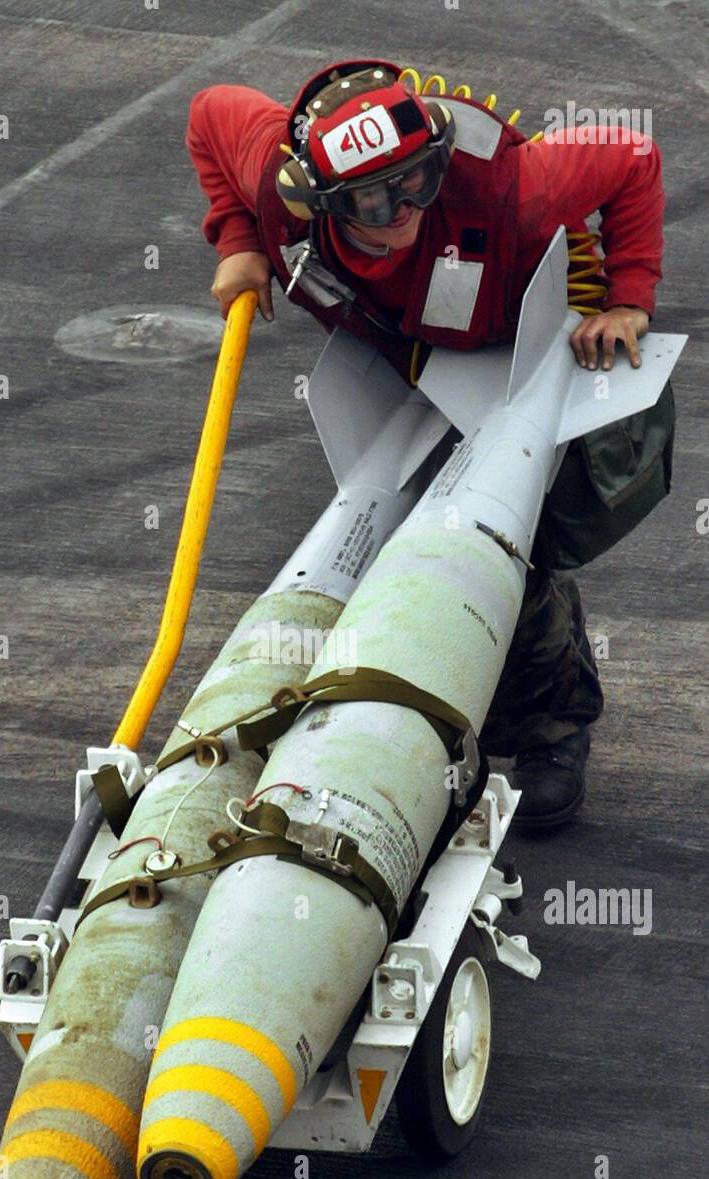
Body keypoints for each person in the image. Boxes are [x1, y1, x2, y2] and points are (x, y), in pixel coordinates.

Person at [185, 59, 675, 830]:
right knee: (390, 540)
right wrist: (238, 238)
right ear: (318, 202)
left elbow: (631, 160)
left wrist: (625, 299)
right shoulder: (271, 179)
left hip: (517, 327)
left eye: (416, 181)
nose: (403, 208)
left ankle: (551, 734)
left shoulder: (505, 187)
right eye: (373, 198)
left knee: (507, 542)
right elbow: (212, 112)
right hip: (400, 348)